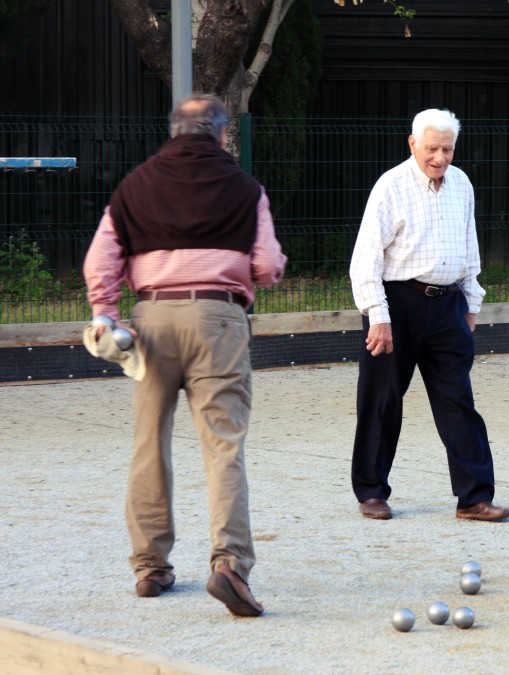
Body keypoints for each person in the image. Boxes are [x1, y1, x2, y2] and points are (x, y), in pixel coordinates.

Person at [83, 93, 287, 615]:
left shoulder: (135, 185)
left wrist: (106, 310)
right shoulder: (244, 188)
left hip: (150, 320)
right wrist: (269, 270)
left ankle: (150, 567)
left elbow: (102, 256)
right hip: (217, 319)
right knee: (223, 445)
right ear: (222, 135)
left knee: (149, 444)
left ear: (174, 131)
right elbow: (264, 265)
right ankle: (229, 565)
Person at [348, 108, 509, 522]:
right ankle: (371, 492)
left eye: (447, 149)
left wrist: (471, 305)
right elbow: (365, 259)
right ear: (413, 144)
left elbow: (469, 247)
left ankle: (474, 498)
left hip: (448, 305)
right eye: (432, 149)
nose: (440, 158)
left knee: (459, 402)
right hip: (396, 305)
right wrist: (377, 316)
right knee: (382, 400)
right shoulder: (390, 186)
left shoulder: (461, 184)